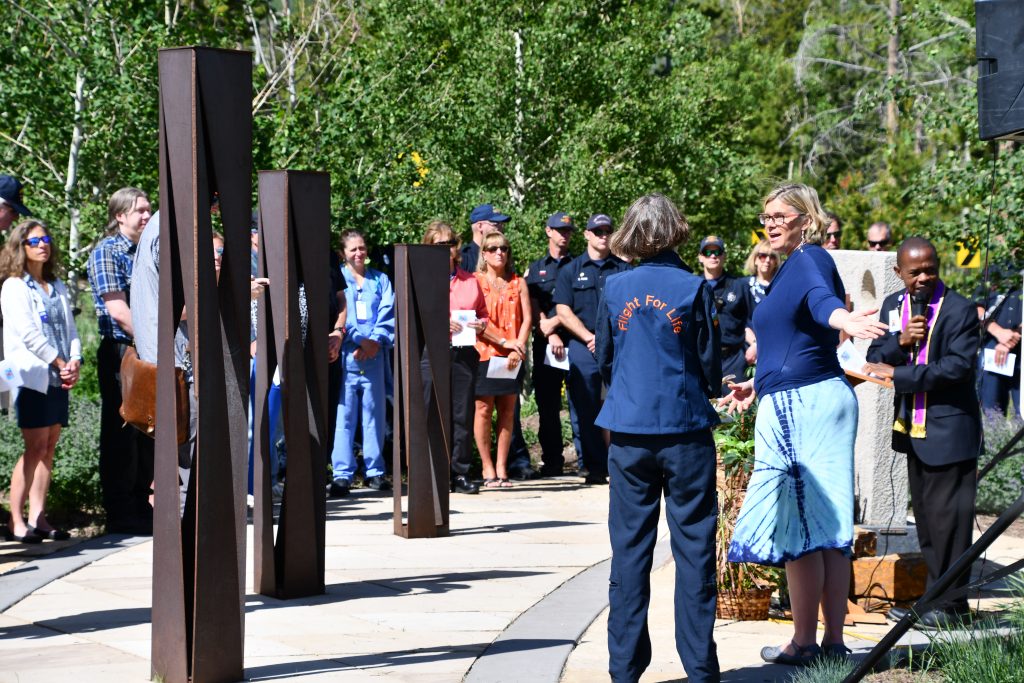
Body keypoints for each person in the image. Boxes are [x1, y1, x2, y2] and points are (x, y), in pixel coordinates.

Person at [721, 183, 887, 664]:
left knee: (799, 526)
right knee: (827, 527)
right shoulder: (794, 264)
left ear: (806, 220)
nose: (771, 224)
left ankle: (803, 642)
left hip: (802, 406)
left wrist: (844, 320)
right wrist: (757, 385)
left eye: (781, 215)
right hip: (812, 397)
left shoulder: (808, 260)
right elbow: (798, 339)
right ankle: (831, 642)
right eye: (766, 216)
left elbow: (820, 302)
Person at [595, 194, 722, 683]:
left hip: (629, 434)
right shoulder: (694, 287)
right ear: (675, 232)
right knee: (694, 552)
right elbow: (710, 366)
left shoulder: (614, 287)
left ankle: (624, 671)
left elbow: (606, 359)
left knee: (629, 554)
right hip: (685, 431)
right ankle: (700, 670)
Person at [864, 237, 982, 629]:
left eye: (930, 269)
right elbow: (874, 359)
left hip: (951, 432)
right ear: (898, 272)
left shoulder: (960, 309)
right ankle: (938, 603)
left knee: (951, 526)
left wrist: (902, 375)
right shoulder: (893, 307)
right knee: (929, 525)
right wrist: (901, 341)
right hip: (914, 431)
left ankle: (949, 607)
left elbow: (958, 368)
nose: (924, 278)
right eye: (915, 272)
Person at [1, 220, 81, 542]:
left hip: (58, 376)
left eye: (46, 239)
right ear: (20, 247)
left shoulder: (55, 284)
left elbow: (70, 329)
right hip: (31, 377)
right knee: (34, 447)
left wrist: (75, 360)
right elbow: (28, 334)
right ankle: (15, 520)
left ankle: (38, 518)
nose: (42, 245)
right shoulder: (14, 286)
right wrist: (60, 362)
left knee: (48, 448)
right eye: (34, 241)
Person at [86, 187, 155, 535]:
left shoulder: (150, 249)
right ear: (119, 216)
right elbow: (118, 311)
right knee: (121, 431)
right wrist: (154, 338)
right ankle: (121, 512)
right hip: (121, 350)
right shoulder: (107, 252)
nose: (147, 216)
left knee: (147, 430)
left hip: (148, 349)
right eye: (140, 210)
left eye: (148, 209)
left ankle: (142, 506)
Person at [554, 213, 630, 484]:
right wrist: (589, 337)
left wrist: (608, 338)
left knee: (620, 405)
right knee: (586, 408)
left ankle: (620, 465)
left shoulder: (623, 269)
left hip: (618, 347)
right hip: (582, 346)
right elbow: (563, 310)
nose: (603, 236)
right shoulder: (570, 270)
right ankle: (594, 468)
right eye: (598, 231)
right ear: (587, 234)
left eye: (607, 231)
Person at [421, 221, 488, 494]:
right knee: (430, 412)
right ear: (428, 247)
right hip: (431, 352)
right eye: (439, 244)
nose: (445, 249)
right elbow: (411, 317)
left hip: (463, 352)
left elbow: (483, 313)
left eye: (449, 243)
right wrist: (438, 322)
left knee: (462, 414)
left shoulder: (470, 280)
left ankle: (459, 472)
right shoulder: (421, 280)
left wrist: (482, 324)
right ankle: (431, 472)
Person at [330, 230, 395, 496]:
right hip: (345, 355)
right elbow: (339, 312)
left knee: (374, 415)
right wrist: (358, 340)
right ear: (343, 253)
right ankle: (342, 474)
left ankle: (374, 471)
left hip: (374, 357)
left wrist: (374, 341)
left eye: (362, 248)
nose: (359, 253)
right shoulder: (338, 278)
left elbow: (387, 311)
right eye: (353, 249)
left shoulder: (380, 279)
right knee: (343, 417)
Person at [524, 211, 580, 477]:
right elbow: (531, 304)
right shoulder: (536, 269)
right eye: (560, 230)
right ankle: (552, 461)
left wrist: (556, 323)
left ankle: (589, 461)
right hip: (546, 343)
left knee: (581, 402)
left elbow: (581, 304)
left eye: (568, 231)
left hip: (575, 340)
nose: (564, 235)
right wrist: (548, 331)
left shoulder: (580, 265)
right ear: (548, 231)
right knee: (547, 405)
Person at [474, 231, 531, 488]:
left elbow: (527, 318)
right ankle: (486, 466)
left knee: (508, 411)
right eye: (493, 248)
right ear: (484, 254)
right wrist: (503, 342)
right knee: (483, 409)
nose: (500, 252)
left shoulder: (518, 283)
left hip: (512, 356)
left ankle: (501, 466)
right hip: (484, 353)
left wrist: (517, 347)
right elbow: (476, 321)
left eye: (504, 248)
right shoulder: (475, 282)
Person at [696, 235, 753, 392]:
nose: (713, 256)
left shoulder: (739, 286)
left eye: (717, 252)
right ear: (700, 257)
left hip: (734, 359)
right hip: (702, 360)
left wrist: (755, 345)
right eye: (708, 252)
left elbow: (753, 320)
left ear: (724, 256)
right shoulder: (693, 288)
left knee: (736, 404)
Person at [977, 280, 1021, 416]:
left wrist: (1013, 337)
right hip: (992, 345)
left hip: (1021, 347)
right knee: (990, 411)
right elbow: (976, 305)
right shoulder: (993, 269)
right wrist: (997, 331)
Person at [742, 239, 780, 366]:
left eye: (772, 256)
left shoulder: (781, 285)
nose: (767, 260)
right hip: (749, 351)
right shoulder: (743, 285)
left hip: (777, 349)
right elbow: (739, 321)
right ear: (755, 259)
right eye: (763, 256)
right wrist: (755, 344)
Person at [461, 203, 510, 273]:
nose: (501, 228)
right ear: (480, 226)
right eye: (496, 224)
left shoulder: (503, 254)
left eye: (502, 224)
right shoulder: (464, 257)